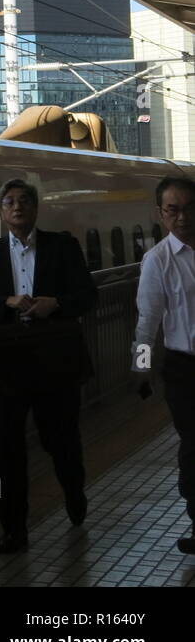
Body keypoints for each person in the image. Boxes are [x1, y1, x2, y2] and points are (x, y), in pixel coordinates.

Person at [0, 177, 97, 554]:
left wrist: (54, 303)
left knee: (62, 440)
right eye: (9, 202)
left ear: (36, 208)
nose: (17, 207)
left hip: (55, 360)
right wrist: (6, 302)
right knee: (7, 451)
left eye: (24, 201)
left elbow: (87, 295)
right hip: (9, 365)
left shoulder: (62, 246)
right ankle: (13, 529)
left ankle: (74, 493)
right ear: (1, 211)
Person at [134, 176, 195, 554]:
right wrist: (141, 368)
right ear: (161, 214)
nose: (182, 217)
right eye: (173, 210)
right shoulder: (157, 260)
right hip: (184, 369)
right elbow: (148, 319)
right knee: (193, 443)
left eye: (188, 208)